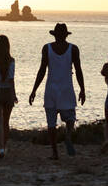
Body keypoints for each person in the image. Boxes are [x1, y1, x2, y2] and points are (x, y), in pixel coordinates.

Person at [28, 22, 84, 160]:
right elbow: (78, 71)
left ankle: (55, 153)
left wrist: (34, 90)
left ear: (54, 35)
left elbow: (42, 70)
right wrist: (82, 89)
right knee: (70, 118)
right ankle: (68, 135)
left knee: (51, 123)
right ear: (66, 35)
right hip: (66, 89)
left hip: (51, 89)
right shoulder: (74, 49)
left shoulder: (47, 48)